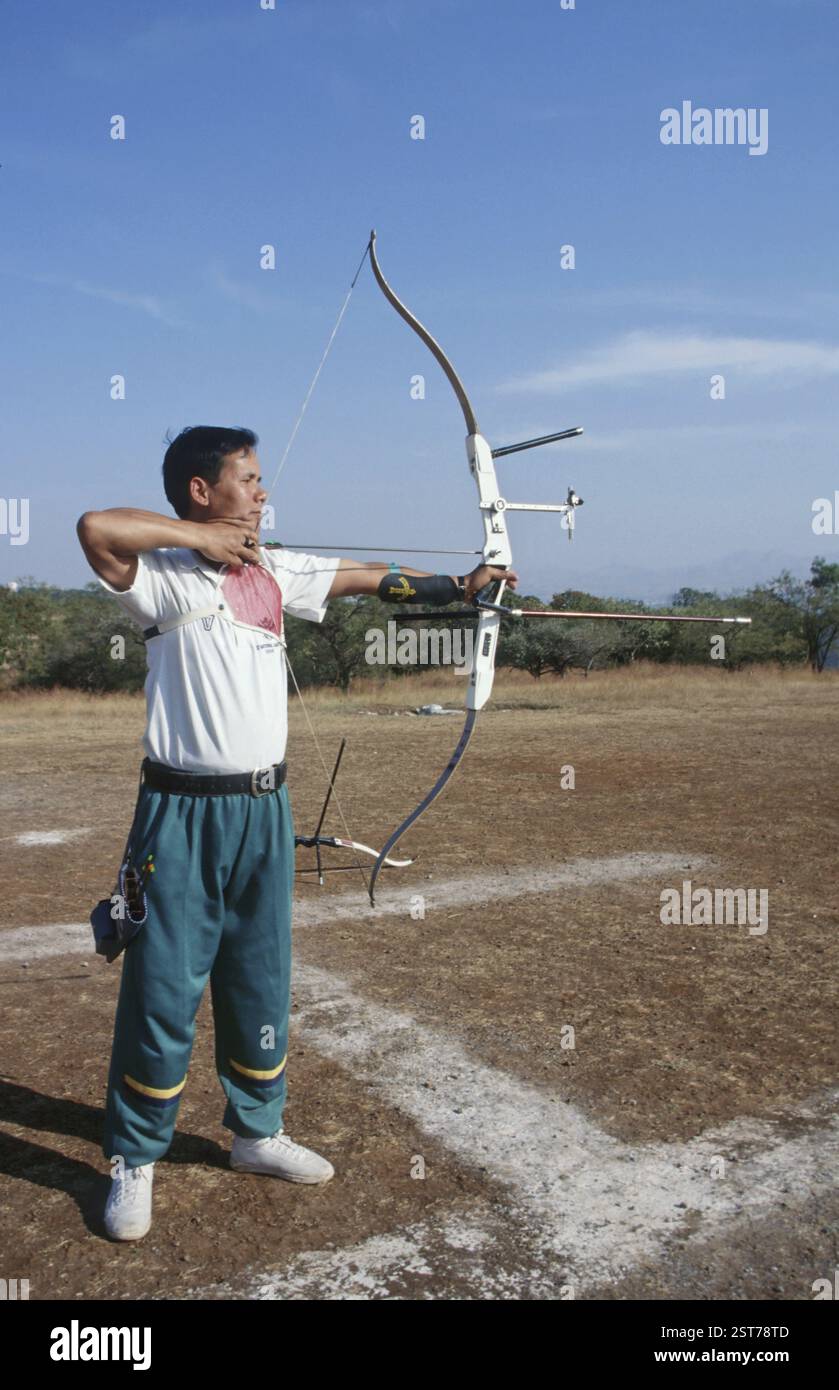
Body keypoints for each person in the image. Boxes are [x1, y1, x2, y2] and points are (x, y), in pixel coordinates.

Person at [77, 425, 516, 1242]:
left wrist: (460, 582)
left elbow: (366, 577)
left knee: (259, 975)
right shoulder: (164, 577)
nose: (263, 490)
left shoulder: (273, 569)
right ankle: (135, 1156)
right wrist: (198, 538)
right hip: (179, 813)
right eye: (247, 478)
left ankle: (255, 1131)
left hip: (263, 811)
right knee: (164, 987)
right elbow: (97, 528)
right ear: (203, 491)